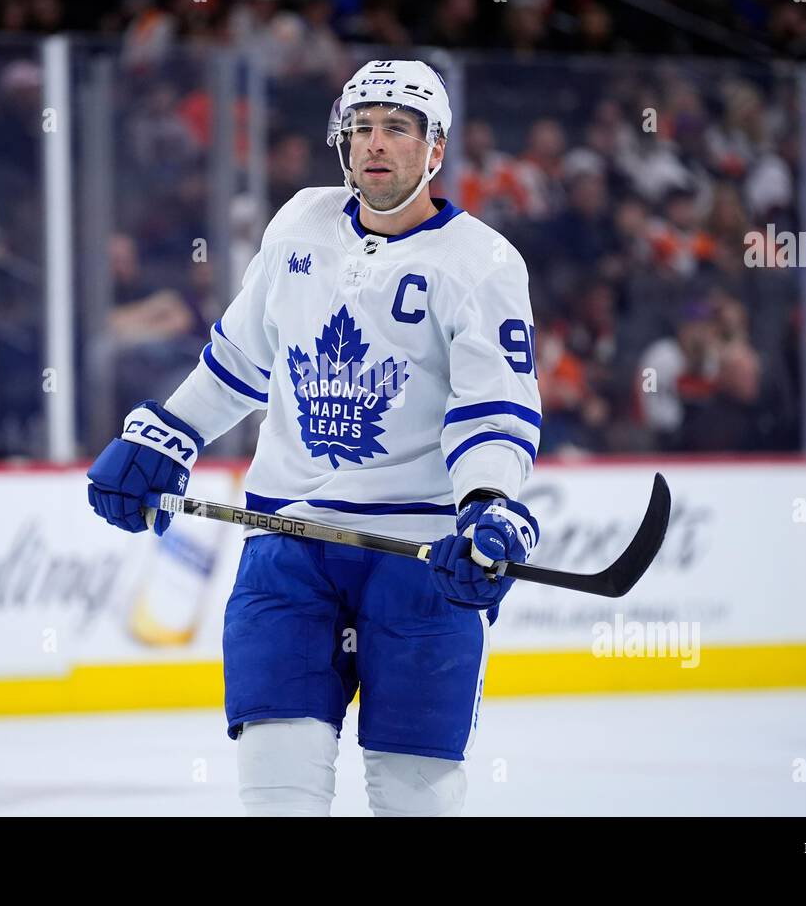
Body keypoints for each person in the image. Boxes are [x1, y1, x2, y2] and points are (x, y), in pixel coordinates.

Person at [85, 60, 541, 816]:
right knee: (277, 797)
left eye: (398, 127)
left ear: (436, 149)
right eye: (362, 127)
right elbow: (239, 359)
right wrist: (168, 434)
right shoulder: (299, 222)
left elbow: (492, 409)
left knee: (414, 801)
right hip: (286, 549)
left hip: (418, 562)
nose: (376, 143)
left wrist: (489, 506)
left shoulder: (483, 262)